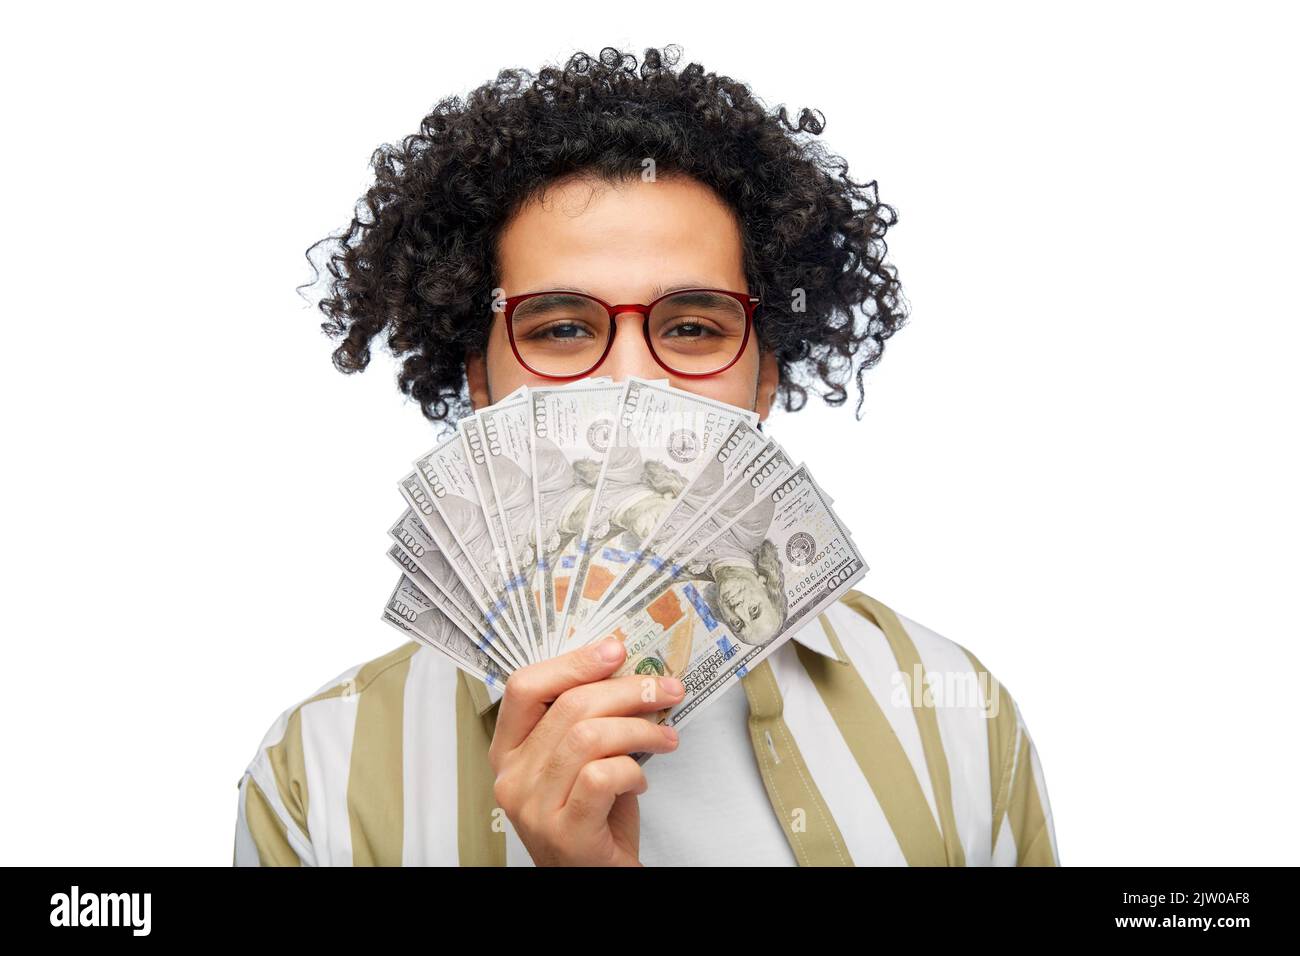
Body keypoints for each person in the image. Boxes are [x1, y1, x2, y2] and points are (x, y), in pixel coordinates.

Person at [233, 45, 1059, 867]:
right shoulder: (317, 778)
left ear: (765, 376)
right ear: (479, 379)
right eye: (561, 328)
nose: (632, 380)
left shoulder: (959, 722)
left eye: (693, 327)